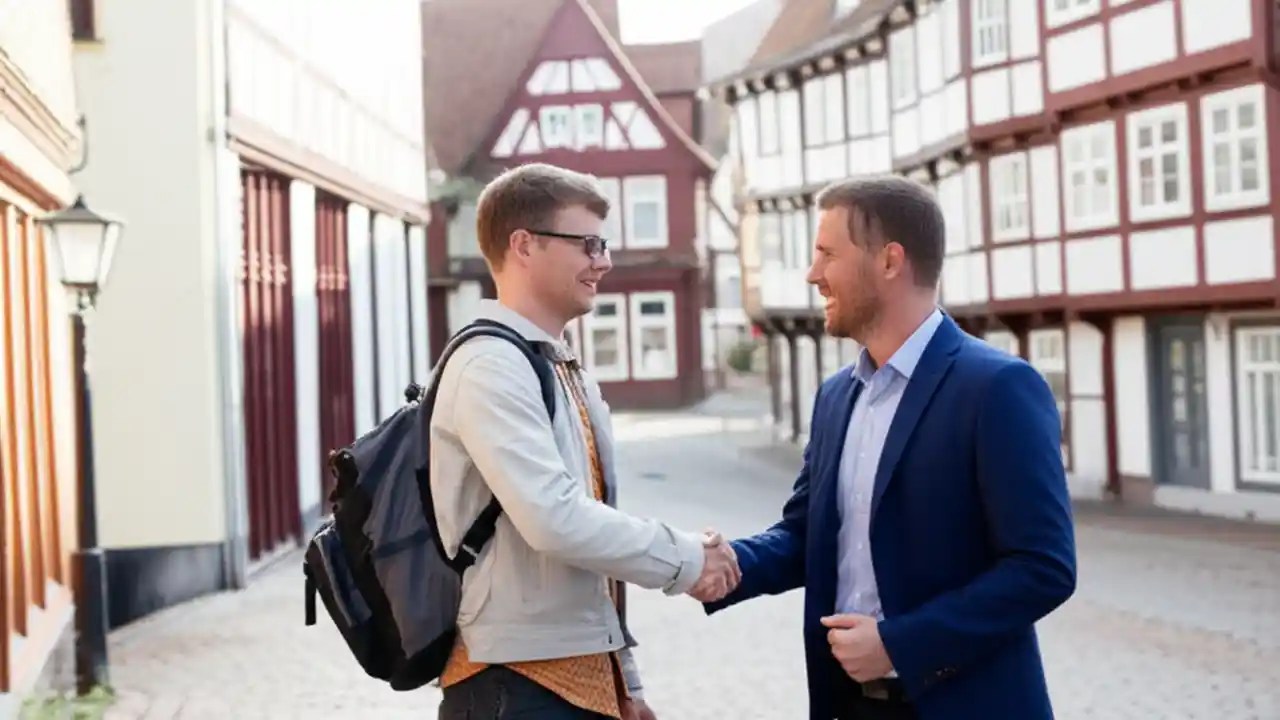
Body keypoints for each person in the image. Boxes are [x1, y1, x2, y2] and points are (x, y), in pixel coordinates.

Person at [698, 175, 1077, 720]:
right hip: (848, 707)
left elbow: (1043, 567)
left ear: (890, 262)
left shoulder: (997, 388)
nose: (813, 274)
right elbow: (808, 534)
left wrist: (901, 643)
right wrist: (723, 564)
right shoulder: (835, 396)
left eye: (827, 254)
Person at [429, 162, 740, 720]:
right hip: (511, 686)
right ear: (523, 245)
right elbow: (555, 520)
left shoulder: (556, 365)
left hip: (573, 674)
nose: (605, 260)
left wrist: (624, 679)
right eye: (588, 244)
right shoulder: (490, 367)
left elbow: (588, 545)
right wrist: (689, 557)